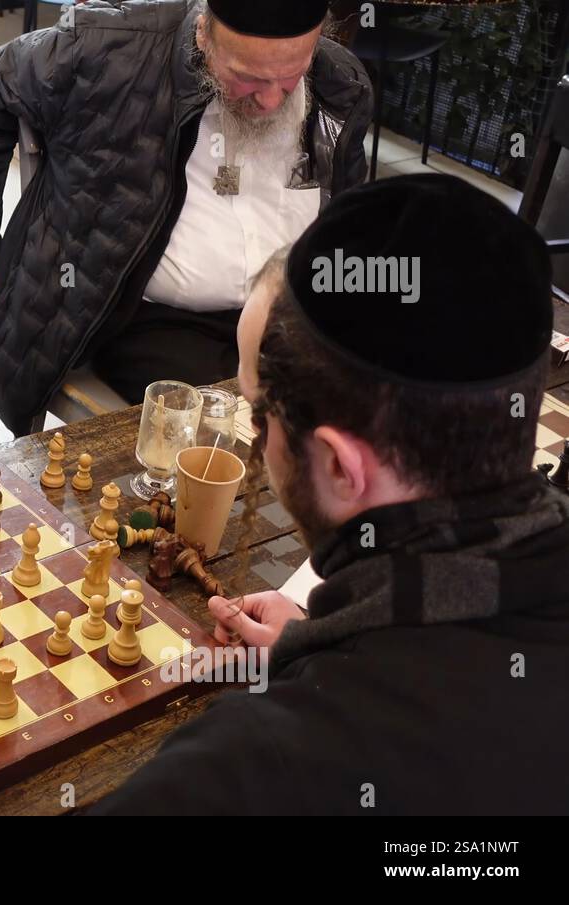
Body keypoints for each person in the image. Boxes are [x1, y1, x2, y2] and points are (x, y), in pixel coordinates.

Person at [91, 174, 569, 815]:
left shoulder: (246, 774)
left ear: (342, 467)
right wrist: (326, 637)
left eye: (260, 416)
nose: (258, 443)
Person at [0, 0, 372, 434]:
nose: (271, 99)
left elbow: (346, 220)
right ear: (204, 33)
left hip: (284, 314)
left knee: (370, 402)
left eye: (290, 77)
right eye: (248, 77)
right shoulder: (103, 48)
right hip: (147, 315)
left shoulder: (341, 84)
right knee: (244, 424)